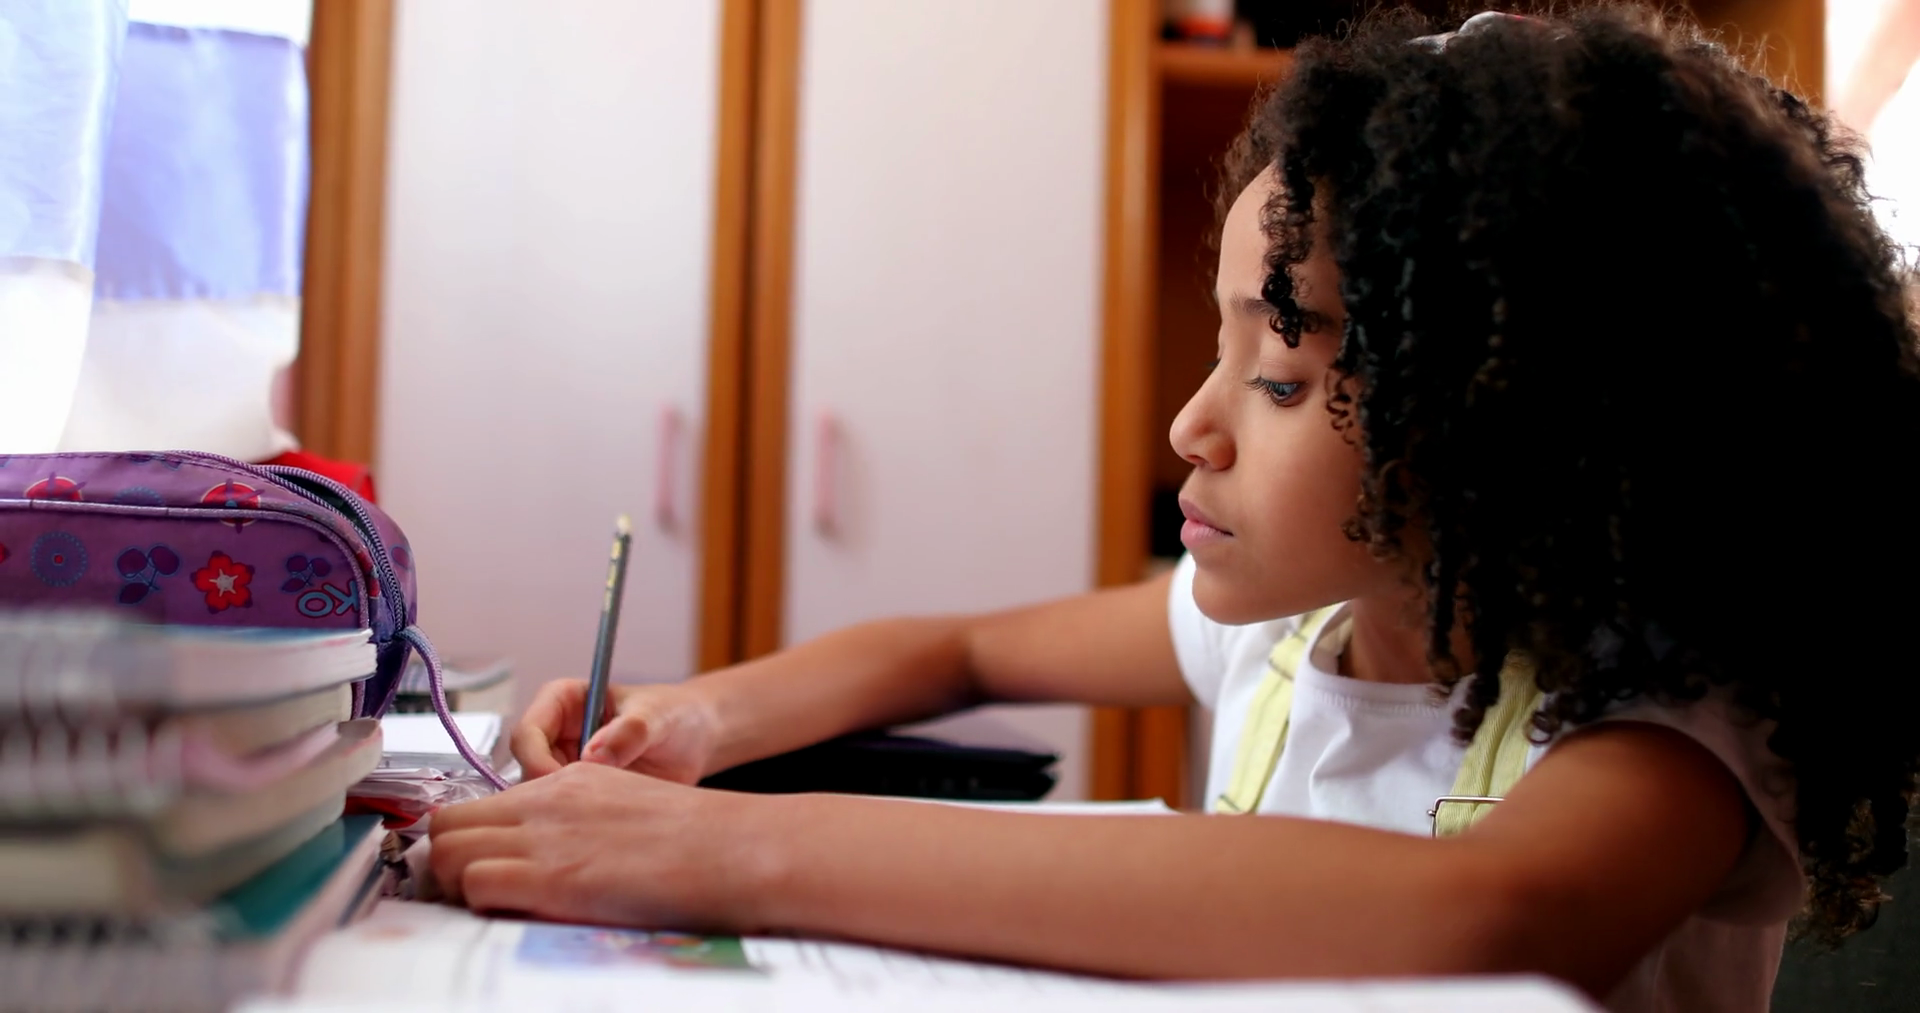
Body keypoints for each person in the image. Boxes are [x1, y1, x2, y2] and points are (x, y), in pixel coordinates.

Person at [427, 8, 1920, 1010]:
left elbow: (1479, 921)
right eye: (1223, 346)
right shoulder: (1298, 642)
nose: (1188, 425)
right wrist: (701, 723)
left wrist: (729, 855)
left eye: (1277, 374)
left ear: (1516, 417)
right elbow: (953, 653)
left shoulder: (1668, 733)